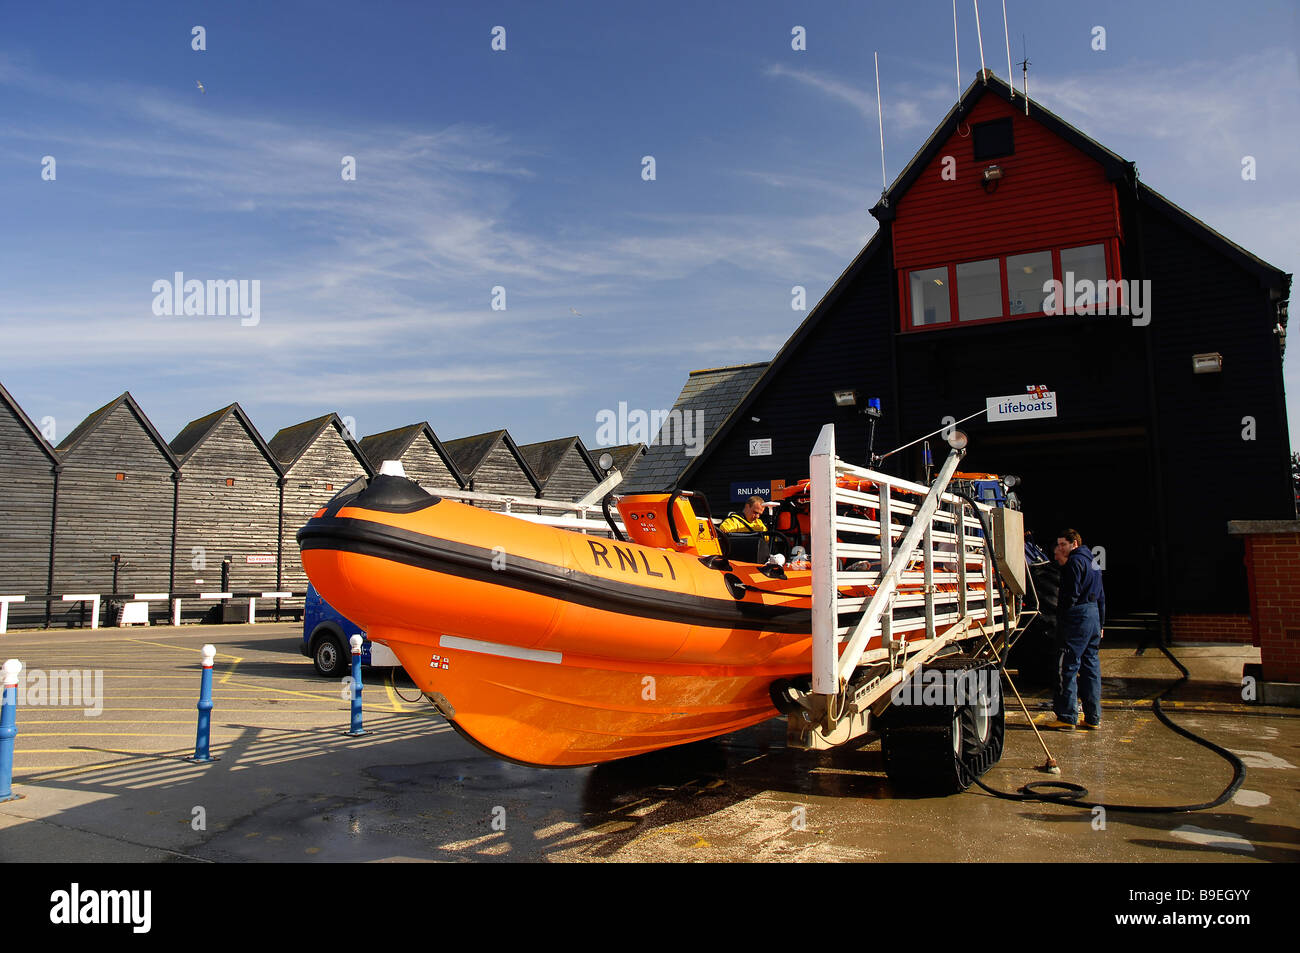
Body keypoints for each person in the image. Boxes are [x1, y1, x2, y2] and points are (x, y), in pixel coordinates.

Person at [1038, 528, 1105, 731]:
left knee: (1066, 666)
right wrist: (1101, 623)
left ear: (1074, 543)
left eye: (1063, 545)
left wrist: (1063, 619)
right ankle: (1093, 718)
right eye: (1058, 545)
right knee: (1090, 667)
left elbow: (1070, 594)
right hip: (1093, 615)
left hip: (1078, 616)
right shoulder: (1094, 560)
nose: (1059, 549)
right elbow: (1101, 594)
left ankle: (1067, 716)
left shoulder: (1074, 562)